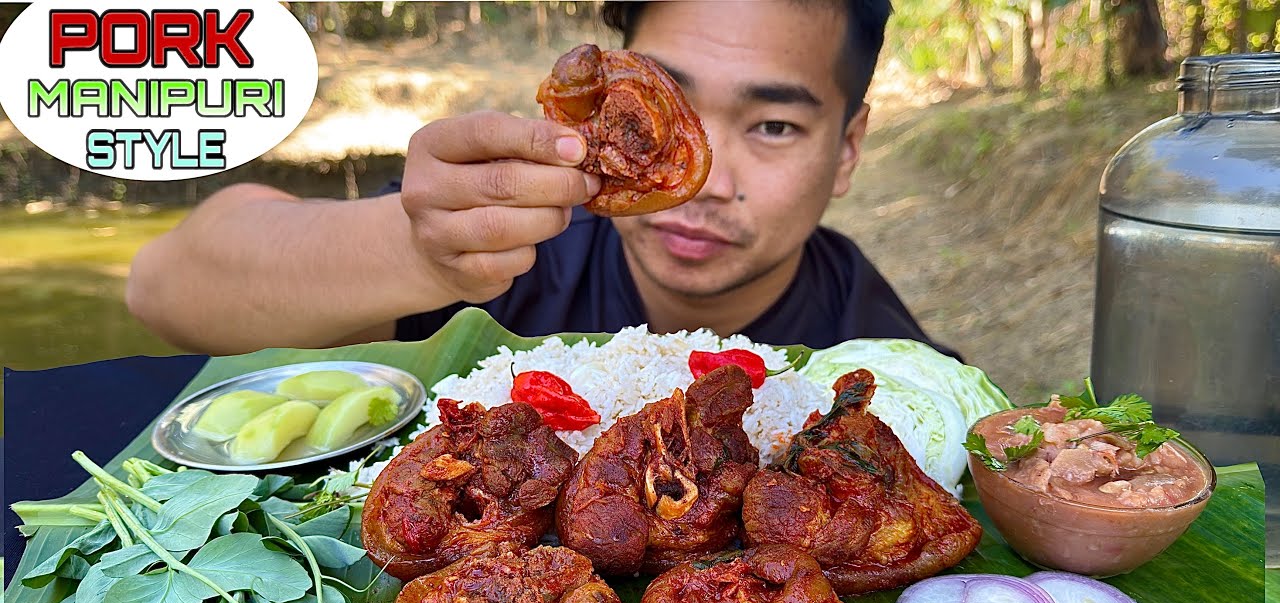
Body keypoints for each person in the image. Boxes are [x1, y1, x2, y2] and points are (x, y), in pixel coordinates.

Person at [126, 0, 954, 357]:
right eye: (664, 114)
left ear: (846, 150)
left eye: (774, 125)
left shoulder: (889, 367)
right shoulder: (510, 255)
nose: (704, 180)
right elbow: (163, 288)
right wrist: (419, 253)